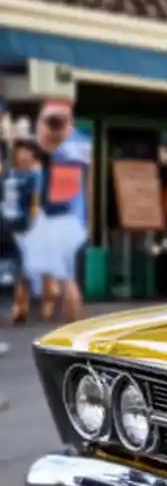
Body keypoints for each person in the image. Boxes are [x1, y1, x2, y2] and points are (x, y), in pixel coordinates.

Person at [23, 100, 91, 322]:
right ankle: (69, 325)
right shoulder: (79, 145)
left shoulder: (63, 150)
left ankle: (75, 328)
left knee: (66, 280)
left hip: (61, 221)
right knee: (64, 279)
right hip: (70, 220)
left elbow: (58, 195)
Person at [2, 140, 41, 324]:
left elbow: (35, 202)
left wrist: (34, 225)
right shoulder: (9, 174)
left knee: (23, 270)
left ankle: (21, 307)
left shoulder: (34, 176)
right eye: (19, 152)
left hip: (24, 227)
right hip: (6, 226)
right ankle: (13, 307)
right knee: (10, 268)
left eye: (26, 152)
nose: (22, 155)